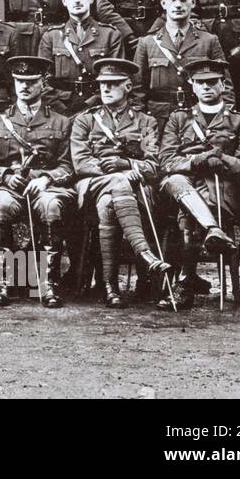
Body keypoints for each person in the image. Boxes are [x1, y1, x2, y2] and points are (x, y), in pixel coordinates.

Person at [69, 57, 170, 308]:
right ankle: (144, 253)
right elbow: (80, 163)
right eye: (103, 83)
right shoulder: (86, 120)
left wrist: (128, 166)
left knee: (108, 206)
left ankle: (109, 286)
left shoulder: (146, 122)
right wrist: (113, 173)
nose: (105, 88)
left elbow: (153, 165)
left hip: (132, 188)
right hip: (90, 184)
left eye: (113, 84)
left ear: (127, 87)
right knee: (113, 185)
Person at [0, 55, 74, 307]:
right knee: (2, 206)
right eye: (20, 80)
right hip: (8, 186)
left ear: (43, 83)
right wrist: (5, 176)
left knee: (51, 206)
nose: (25, 86)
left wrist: (45, 179)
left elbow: (67, 166)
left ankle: (48, 283)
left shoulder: (60, 122)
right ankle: (3, 283)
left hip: (45, 186)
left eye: (31, 81)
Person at [157, 58, 240, 309]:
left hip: (221, 192)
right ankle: (210, 233)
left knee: (186, 217)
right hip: (184, 186)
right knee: (174, 179)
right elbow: (166, 160)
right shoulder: (179, 118)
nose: (206, 87)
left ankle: (184, 286)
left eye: (212, 82)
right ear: (192, 86)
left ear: (223, 84)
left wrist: (220, 159)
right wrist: (198, 160)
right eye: (200, 83)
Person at [131, 0, 227, 130]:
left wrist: (222, 121)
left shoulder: (209, 41)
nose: (178, 4)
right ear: (163, 3)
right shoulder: (147, 43)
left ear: (193, 2)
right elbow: (137, 90)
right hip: (157, 119)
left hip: (198, 118)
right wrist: (141, 124)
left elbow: (225, 86)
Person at [37, 0, 124, 115]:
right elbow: (41, 79)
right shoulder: (51, 36)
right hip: (59, 109)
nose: (77, 0)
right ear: (64, 1)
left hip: (99, 108)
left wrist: (89, 104)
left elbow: (116, 77)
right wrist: (60, 107)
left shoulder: (110, 35)